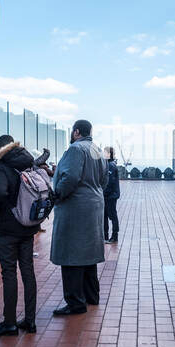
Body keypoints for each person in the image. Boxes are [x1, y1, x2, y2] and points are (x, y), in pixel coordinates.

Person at [0, 134, 40, 336]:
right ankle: (30, 321)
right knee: (28, 271)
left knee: (9, 273)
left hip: (7, 228)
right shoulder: (27, 162)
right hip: (28, 224)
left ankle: (9, 322)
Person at [50, 119, 106, 315]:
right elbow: (104, 179)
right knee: (88, 254)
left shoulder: (75, 149)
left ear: (76, 132)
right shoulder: (97, 149)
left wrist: (57, 194)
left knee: (71, 253)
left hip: (75, 208)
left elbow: (71, 177)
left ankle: (75, 303)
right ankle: (92, 296)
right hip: (95, 205)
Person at [103, 146, 121, 243]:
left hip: (110, 196)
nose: (103, 154)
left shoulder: (110, 165)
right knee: (105, 215)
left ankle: (114, 236)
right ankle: (105, 236)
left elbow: (109, 182)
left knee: (112, 215)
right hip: (110, 195)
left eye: (105, 153)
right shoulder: (110, 164)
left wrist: (104, 193)